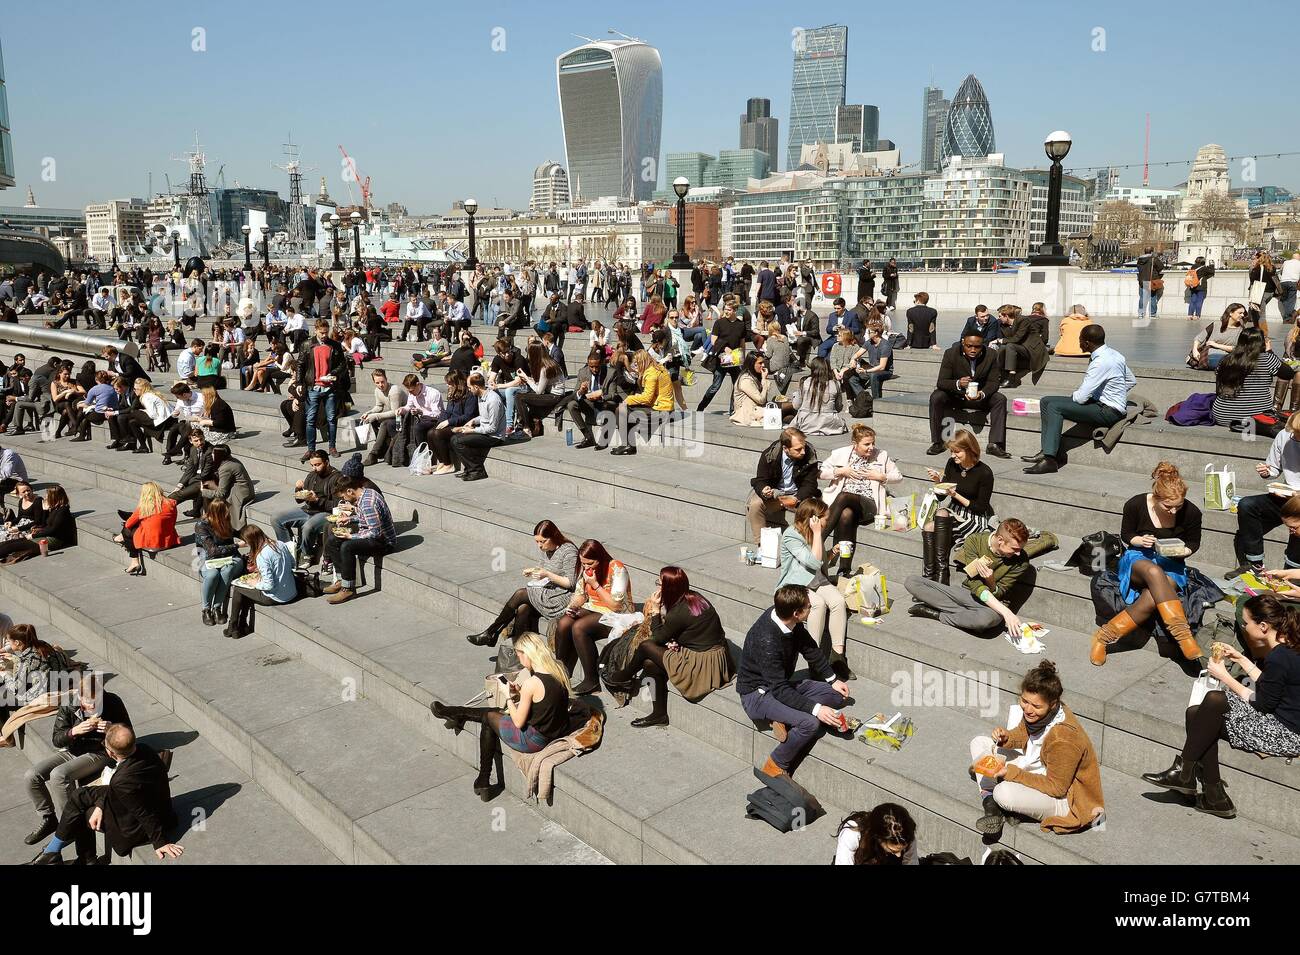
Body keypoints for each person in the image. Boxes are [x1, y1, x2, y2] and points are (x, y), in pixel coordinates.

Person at [1142, 593, 1300, 819]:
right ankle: (1212, 795)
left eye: (1246, 623)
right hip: (1281, 722)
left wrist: (1224, 676)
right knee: (1196, 713)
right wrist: (1240, 658)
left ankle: (1187, 774)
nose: (1244, 627)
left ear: (1263, 626)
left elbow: (1263, 703)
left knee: (1214, 702)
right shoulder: (1286, 648)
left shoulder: (1278, 657)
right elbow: (1269, 685)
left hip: (1285, 734)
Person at [430, 632, 572, 802]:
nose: (520, 661)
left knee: (490, 718)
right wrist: (520, 693)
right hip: (555, 730)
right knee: (497, 712)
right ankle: (456, 713)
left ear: (527, 653)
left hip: (535, 740)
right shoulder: (559, 669)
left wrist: (509, 695)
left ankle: (483, 778)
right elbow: (545, 699)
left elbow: (519, 722)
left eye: (519, 656)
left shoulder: (532, 683)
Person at [969, 660, 1104, 837]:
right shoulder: (1043, 713)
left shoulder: (1063, 739)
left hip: (1064, 799)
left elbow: (1056, 788)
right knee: (979, 742)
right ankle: (990, 804)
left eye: (1036, 706)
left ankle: (995, 797)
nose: (1028, 709)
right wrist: (1006, 737)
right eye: (1024, 701)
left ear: (1053, 704)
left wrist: (1012, 773)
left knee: (1004, 793)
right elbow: (1022, 733)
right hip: (1037, 768)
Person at [1088, 462, 1204, 666]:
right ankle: (1183, 635)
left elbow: (1194, 542)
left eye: (1179, 505)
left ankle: (1103, 637)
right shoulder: (1136, 504)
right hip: (1138, 558)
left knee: (1151, 597)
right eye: (1168, 506)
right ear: (1156, 497)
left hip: (1172, 562)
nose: (1174, 511)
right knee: (1153, 571)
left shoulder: (1192, 512)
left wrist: (1184, 551)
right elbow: (1126, 534)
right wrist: (1139, 540)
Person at [736, 585, 850, 782]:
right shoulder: (767, 640)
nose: (812, 608)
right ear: (797, 613)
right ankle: (775, 764)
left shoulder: (789, 620)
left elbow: (810, 650)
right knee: (810, 723)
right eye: (809, 607)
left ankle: (786, 717)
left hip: (779, 684)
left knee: (837, 696)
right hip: (758, 694)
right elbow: (779, 690)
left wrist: (832, 680)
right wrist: (816, 709)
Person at [29, 724, 182, 865]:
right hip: (139, 798)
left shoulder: (121, 781)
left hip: (137, 827)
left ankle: (76, 857)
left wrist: (160, 842)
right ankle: (56, 853)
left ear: (110, 753)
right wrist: (101, 805)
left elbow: (143, 812)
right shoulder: (144, 749)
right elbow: (122, 791)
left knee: (83, 810)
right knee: (79, 794)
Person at [23, 670, 132, 847]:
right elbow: (57, 739)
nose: (91, 707)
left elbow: (128, 734)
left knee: (59, 774)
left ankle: (70, 827)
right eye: (87, 703)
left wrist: (112, 729)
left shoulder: (112, 702)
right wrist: (73, 731)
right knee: (31, 775)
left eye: (95, 703)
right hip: (72, 749)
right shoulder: (69, 704)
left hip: (100, 752)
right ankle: (48, 818)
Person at [1023, 324, 1135, 474]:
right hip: (1103, 404)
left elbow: (1081, 398)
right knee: (1046, 401)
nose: (1079, 343)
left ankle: (1050, 459)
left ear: (1088, 343)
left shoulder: (1100, 362)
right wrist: (1113, 394)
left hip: (1108, 412)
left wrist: (1102, 397)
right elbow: (1131, 380)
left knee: (1055, 407)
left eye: (1080, 340)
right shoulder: (1115, 354)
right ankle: (1046, 450)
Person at [905, 518, 1040, 638]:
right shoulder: (974, 541)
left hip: (992, 606)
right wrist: (1008, 613)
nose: (1018, 553)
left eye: (1020, 549)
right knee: (912, 582)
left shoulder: (1021, 561)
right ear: (1000, 540)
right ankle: (965, 616)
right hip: (968, 593)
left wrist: (991, 581)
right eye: (1014, 548)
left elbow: (1001, 592)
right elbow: (974, 584)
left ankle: (937, 614)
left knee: (987, 619)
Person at [467, 521, 578, 647]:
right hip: (547, 590)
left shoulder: (569, 551)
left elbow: (570, 583)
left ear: (553, 536)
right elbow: (543, 568)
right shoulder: (545, 549)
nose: (540, 546)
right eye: (537, 542)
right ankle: (522, 650)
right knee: (522, 608)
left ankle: (491, 632)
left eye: (542, 541)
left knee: (520, 594)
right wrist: (534, 571)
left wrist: (547, 574)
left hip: (562, 596)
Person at [778, 500, 854, 681]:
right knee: (817, 604)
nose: (828, 522)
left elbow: (819, 561)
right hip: (798, 584)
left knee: (838, 602)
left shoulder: (813, 532)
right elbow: (812, 562)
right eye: (825, 518)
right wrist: (819, 532)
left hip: (817, 579)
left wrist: (833, 552)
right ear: (813, 519)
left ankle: (838, 658)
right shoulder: (791, 536)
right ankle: (816, 661)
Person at [819, 424, 902, 576]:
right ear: (855, 444)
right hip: (846, 505)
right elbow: (821, 472)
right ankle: (844, 569)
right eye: (866, 444)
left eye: (872, 443)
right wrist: (840, 471)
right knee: (846, 515)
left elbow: (898, 476)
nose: (871, 447)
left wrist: (881, 477)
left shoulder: (881, 455)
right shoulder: (842, 454)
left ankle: (818, 540)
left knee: (845, 496)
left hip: (869, 505)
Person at [553, 539, 631, 695]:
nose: (586, 568)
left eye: (590, 564)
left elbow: (616, 605)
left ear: (600, 559)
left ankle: (591, 680)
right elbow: (581, 595)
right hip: (593, 608)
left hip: (616, 614)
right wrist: (573, 606)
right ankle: (559, 671)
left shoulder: (617, 569)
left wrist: (595, 585)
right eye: (583, 564)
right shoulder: (586, 568)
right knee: (563, 622)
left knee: (579, 627)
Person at [920, 431, 995, 583]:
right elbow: (941, 496)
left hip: (974, 517)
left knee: (941, 513)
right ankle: (930, 576)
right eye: (951, 451)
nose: (953, 455)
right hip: (953, 513)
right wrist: (937, 482)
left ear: (969, 449)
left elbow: (981, 507)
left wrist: (955, 495)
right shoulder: (951, 464)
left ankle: (942, 575)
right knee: (928, 527)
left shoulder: (984, 472)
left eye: (957, 452)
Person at [1231, 417, 1300, 578]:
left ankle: (1292, 571)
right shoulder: (1284, 435)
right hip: (1285, 495)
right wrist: (1267, 472)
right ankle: (1255, 564)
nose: (1294, 436)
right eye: (1293, 432)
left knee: (1297, 525)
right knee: (1247, 505)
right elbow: (1274, 468)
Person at [926, 334, 1010, 459]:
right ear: (962, 343)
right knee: (936, 396)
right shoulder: (951, 353)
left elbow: (993, 382)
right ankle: (938, 442)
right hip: (956, 396)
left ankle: (995, 444)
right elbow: (942, 382)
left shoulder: (991, 354)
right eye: (969, 346)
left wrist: (981, 394)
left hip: (980, 397)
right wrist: (958, 383)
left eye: (977, 347)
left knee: (1000, 399)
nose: (973, 350)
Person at [320, 477, 397, 605]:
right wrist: (350, 520)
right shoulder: (366, 493)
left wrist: (351, 537)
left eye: (344, 496)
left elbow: (375, 533)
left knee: (347, 546)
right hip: (373, 534)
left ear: (350, 491)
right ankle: (341, 580)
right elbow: (365, 517)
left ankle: (348, 588)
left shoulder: (367, 503)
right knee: (333, 539)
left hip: (384, 542)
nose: (344, 500)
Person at [747, 428, 820, 547]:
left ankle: (804, 548)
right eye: (798, 449)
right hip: (776, 494)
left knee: (810, 509)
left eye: (803, 447)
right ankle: (762, 546)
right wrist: (764, 489)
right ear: (785, 448)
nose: (803, 452)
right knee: (754, 504)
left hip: (798, 494)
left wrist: (796, 498)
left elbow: (810, 485)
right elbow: (760, 480)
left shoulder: (809, 454)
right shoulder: (770, 455)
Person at [1212, 327, 1293, 429]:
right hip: (1256, 417)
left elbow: (1218, 388)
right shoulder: (1267, 358)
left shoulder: (1226, 360)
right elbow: (1288, 373)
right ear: (1261, 343)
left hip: (1222, 415)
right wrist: (1270, 351)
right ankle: (1280, 406)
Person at [225, 524, 298, 639]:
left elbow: (269, 585)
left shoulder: (262, 556)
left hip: (276, 596)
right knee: (247, 591)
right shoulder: (280, 544)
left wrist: (255, 583)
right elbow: (292, 564)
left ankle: (233, 626)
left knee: (239, 589)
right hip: (291, 591)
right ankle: (241, 625)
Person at [272, 450, 340, 567]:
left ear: (327, 462)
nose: (314, 468)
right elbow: (299, 500)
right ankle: (289, 551)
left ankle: (306, 555)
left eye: (318, 465)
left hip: (325, 512)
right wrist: (298, 489)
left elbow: (337, 504)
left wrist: (317, 500)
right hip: (308, 509)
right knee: (276, 518)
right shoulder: (311, 475)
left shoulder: (336, 478)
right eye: (312, 465)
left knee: (308, 526)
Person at [297, 319, 350, 461]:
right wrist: (299, 382)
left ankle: (332, 447)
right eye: (321, 333)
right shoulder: (307, 345)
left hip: (329, 387)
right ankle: (311, 449)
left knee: (332, 419)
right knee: (310, 419)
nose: (324, 335)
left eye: (326, 332)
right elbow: (300, 365)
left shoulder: (335, 345)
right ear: (315, 330)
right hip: (313, 386)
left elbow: (342, 365)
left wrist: (333, 374)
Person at [449, 371, 506, 482]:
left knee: (458, 441)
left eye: (469, 387)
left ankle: (477, 470)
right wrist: (473, 421)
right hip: (485, 431)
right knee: (455, 437)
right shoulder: (481, 396)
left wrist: (472, 430)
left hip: (494, 436)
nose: (468, 390)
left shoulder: (493, 400)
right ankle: (469, 469)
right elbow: (484, 417)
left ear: (476, 387)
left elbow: (492, 428)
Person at [114, 481, 180, 575]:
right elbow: (173, 522)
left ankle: (134, 561)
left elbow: (128, 525)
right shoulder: (171, 503)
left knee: (127, 529)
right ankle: (127, 522)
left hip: (152, 545)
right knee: (142, 522)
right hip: (168, 542)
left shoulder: (145, 507)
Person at [195, 499, 242, 627]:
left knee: (226, 571)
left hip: (230, 557)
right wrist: (236, 545)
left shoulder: (224, 521)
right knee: (212, 575)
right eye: (226, 512)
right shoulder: (201, 525)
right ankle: (206, 609)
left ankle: (217, 608)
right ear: (218, 513)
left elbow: (238, 532)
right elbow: (212, 551)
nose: (229, 514)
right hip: (208, 559)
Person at [0, 485, 76, 562]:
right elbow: (44, 524)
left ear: (54, 497)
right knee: (10, 542)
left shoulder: (63, 511)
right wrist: (45, 510)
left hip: (53, 540)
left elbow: (53, 530)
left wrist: (33, 536)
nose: (46, 497)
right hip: (45, 535)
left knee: (14, 546)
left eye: (48, 495)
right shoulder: (55, 507)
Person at [696, 301, 747, 414]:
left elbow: (742, 343)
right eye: (725, 309)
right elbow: (713, 341)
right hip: (721, 359)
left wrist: (742, 358)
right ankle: (701, 407)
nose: (726, 312)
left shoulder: (741, 325)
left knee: (736, 386)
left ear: (735, 310)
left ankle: (733, 410)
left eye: (729, 310)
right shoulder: (719, 323)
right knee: (715, 386)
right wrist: (725, 348)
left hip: (735, 359)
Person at [428, 370, 478, 475]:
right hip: (452, 423)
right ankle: (441, 461)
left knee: (438, 434)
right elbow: (447, 412)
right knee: (431, 432)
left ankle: (448, 464)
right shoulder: (452, 393)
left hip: (463, 425)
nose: (447, 385)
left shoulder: (469, 395)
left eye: (449, 383)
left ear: (457, 383)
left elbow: (468, 416)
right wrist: (441, 422)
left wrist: (449, 421)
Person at [834, 803, 918, 865]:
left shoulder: (906, 835)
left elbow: (910, 862)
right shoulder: (852, 833)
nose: (899, 855)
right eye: (894, 850)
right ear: (879, 838)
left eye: (902, 850)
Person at [359, 368, 409, 466]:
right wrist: (368, 413)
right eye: (377, 383)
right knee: (371, 420)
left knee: (385, 423)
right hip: (395, 417)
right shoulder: (377, 390)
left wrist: (376, 416)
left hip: (404, 418)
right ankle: (382, 450)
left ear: (386, 379)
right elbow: (379, 406)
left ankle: (373, 454)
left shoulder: (394, 391)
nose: (380, 385)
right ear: (374, 382)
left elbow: (395, 412)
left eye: (382, 382)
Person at [788, 357, 846, 436]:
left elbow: (796, 405)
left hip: (807, 424)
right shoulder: (835, 384)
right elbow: (838, 408)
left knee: (790, 417)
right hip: (831, 424)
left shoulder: (805, 382)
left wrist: (796, 393)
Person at [200, 445, 254, 528]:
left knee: (206, 492)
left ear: (219, 455)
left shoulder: (226, 467)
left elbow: (221, 493)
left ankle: (213, 520)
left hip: (240, 493)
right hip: (239, 488)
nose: (212, 455)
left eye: (214, 453)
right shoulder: (230, 461)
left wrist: (203, 491)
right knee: (207, 484)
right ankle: (209, 516)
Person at [996, 304, 1048, 387]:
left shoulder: (1023, 320)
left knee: (1010, 346)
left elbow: (1017, 338)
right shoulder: (1003, 324)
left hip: (1032, 349)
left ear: (1006, 316)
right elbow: (1010, 339)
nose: (999, 318)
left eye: (1000, 316)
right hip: (1019, 347)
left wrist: (1000, 340)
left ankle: (1011, 378)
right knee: (1003, 347)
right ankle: (999, 375)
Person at [1189, 303, 1245, 371]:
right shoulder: (1216, 325)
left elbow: (1236, 349)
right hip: (1210, 355)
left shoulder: (1241, 330)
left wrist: (1216, 345)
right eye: (1240, 313)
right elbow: (1198, 338)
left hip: (1227, 356)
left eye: (1243, 313)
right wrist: (1195, 350)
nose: (1242, 315)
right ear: (1231, 313)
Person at [1136, 246, 1164, 319]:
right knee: (1152, 297)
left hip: (1142, 281)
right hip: (1151, 281)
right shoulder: (1153, 259)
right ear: (1151, 252)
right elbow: (1161, 266)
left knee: (1142, 297)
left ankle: (1141, 314)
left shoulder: (1140, 259)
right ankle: (1152, 314)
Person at [1186, 255, 1216, 321]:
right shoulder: (1204, 268)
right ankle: (1197, 315)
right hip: (1201, 286)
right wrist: (1212, 265)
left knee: (1193, 301)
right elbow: (1212, 272)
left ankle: (1190, 315)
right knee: (1199, 301)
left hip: (1193, 286)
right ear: (1203, 262)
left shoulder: (1193, 267)